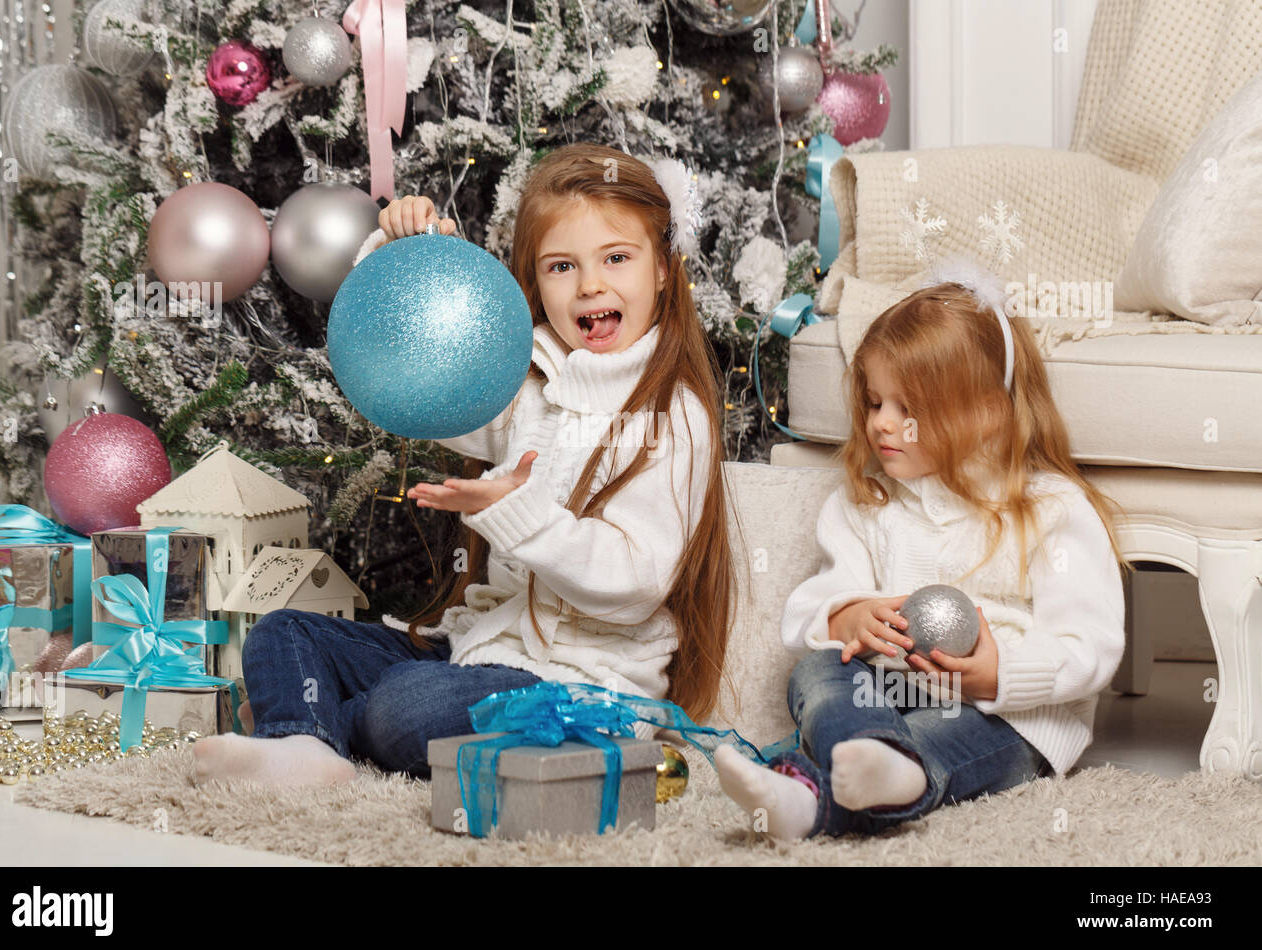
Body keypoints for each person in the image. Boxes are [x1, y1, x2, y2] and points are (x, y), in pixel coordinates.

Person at [192, 143, 734, 787]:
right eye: (562, 266)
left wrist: (516, 512)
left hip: (582, 690)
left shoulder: (675, 417)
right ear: (536, 281)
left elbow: (635, 583)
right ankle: (304, 746)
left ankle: (319, 724)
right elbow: (428, 395)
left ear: (665, 271)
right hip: (474, 651)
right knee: (281, 634)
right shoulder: (525, 375)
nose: (591, 285)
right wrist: (417, 264)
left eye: (617, 258)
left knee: (406, 707)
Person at [715, 264, 1130, 839]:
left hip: (1001, 713)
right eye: (874, 401)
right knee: (814, 672)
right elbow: (809, 612)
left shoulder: (1050, 509)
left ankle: (829, 791)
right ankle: (871, 755)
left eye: (906, 409)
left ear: (986, 413)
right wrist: (850, 615)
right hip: (886, 695)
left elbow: (1091, 646)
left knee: (980, 739)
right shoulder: (866, 503)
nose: (881, 424)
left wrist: (997, 675)